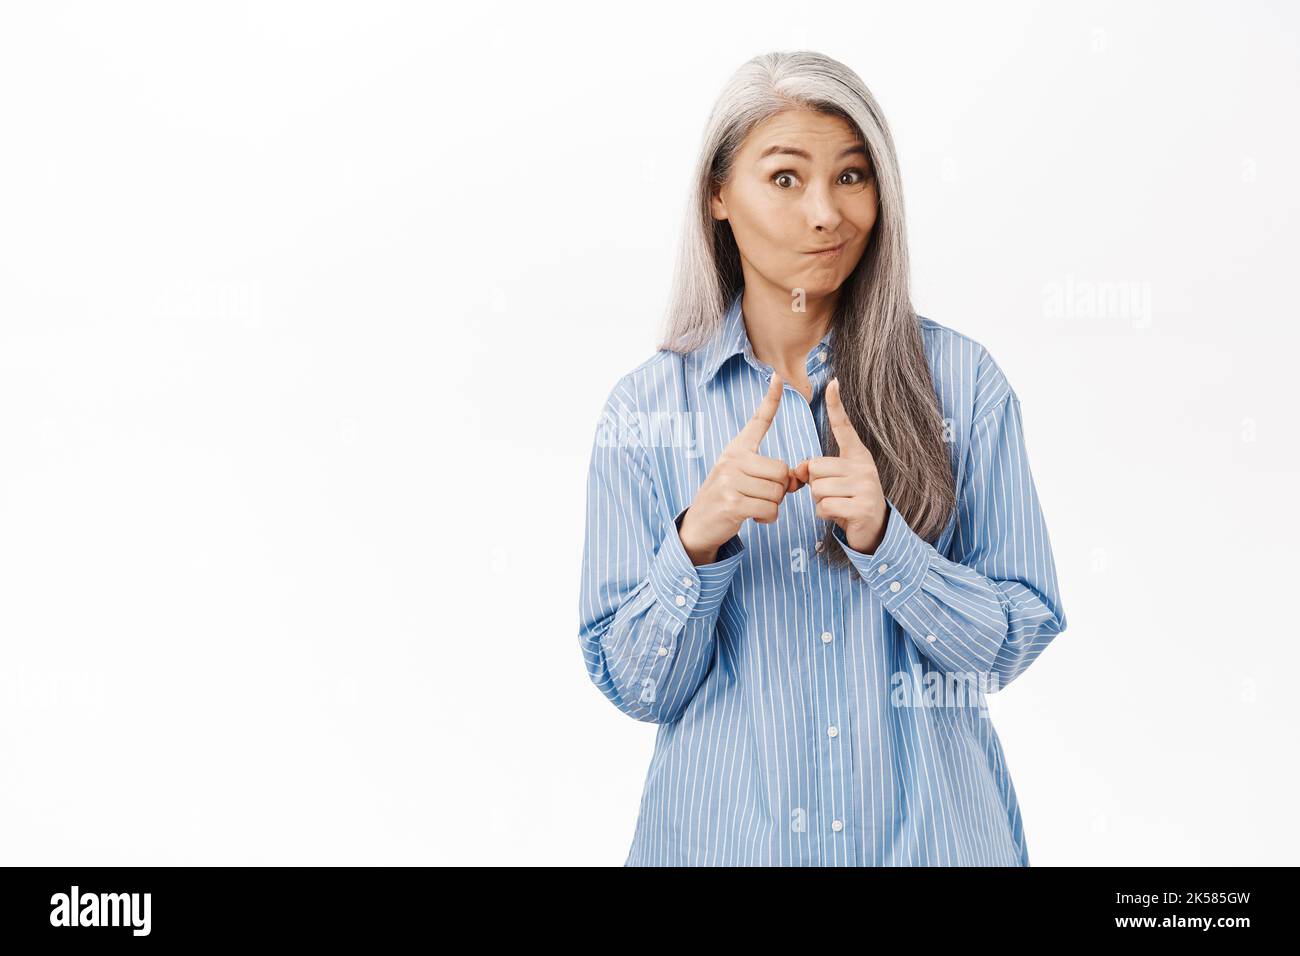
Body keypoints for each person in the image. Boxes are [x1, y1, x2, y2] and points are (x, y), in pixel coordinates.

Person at [577, 50, 1068, 866]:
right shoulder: (645, 412)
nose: (826, 214)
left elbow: (1012, 642)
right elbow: (636, 687)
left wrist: (887, 544)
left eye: (851, 176)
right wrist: (696, 542)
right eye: (784, 177)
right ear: (718, 195)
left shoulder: (963, 385)